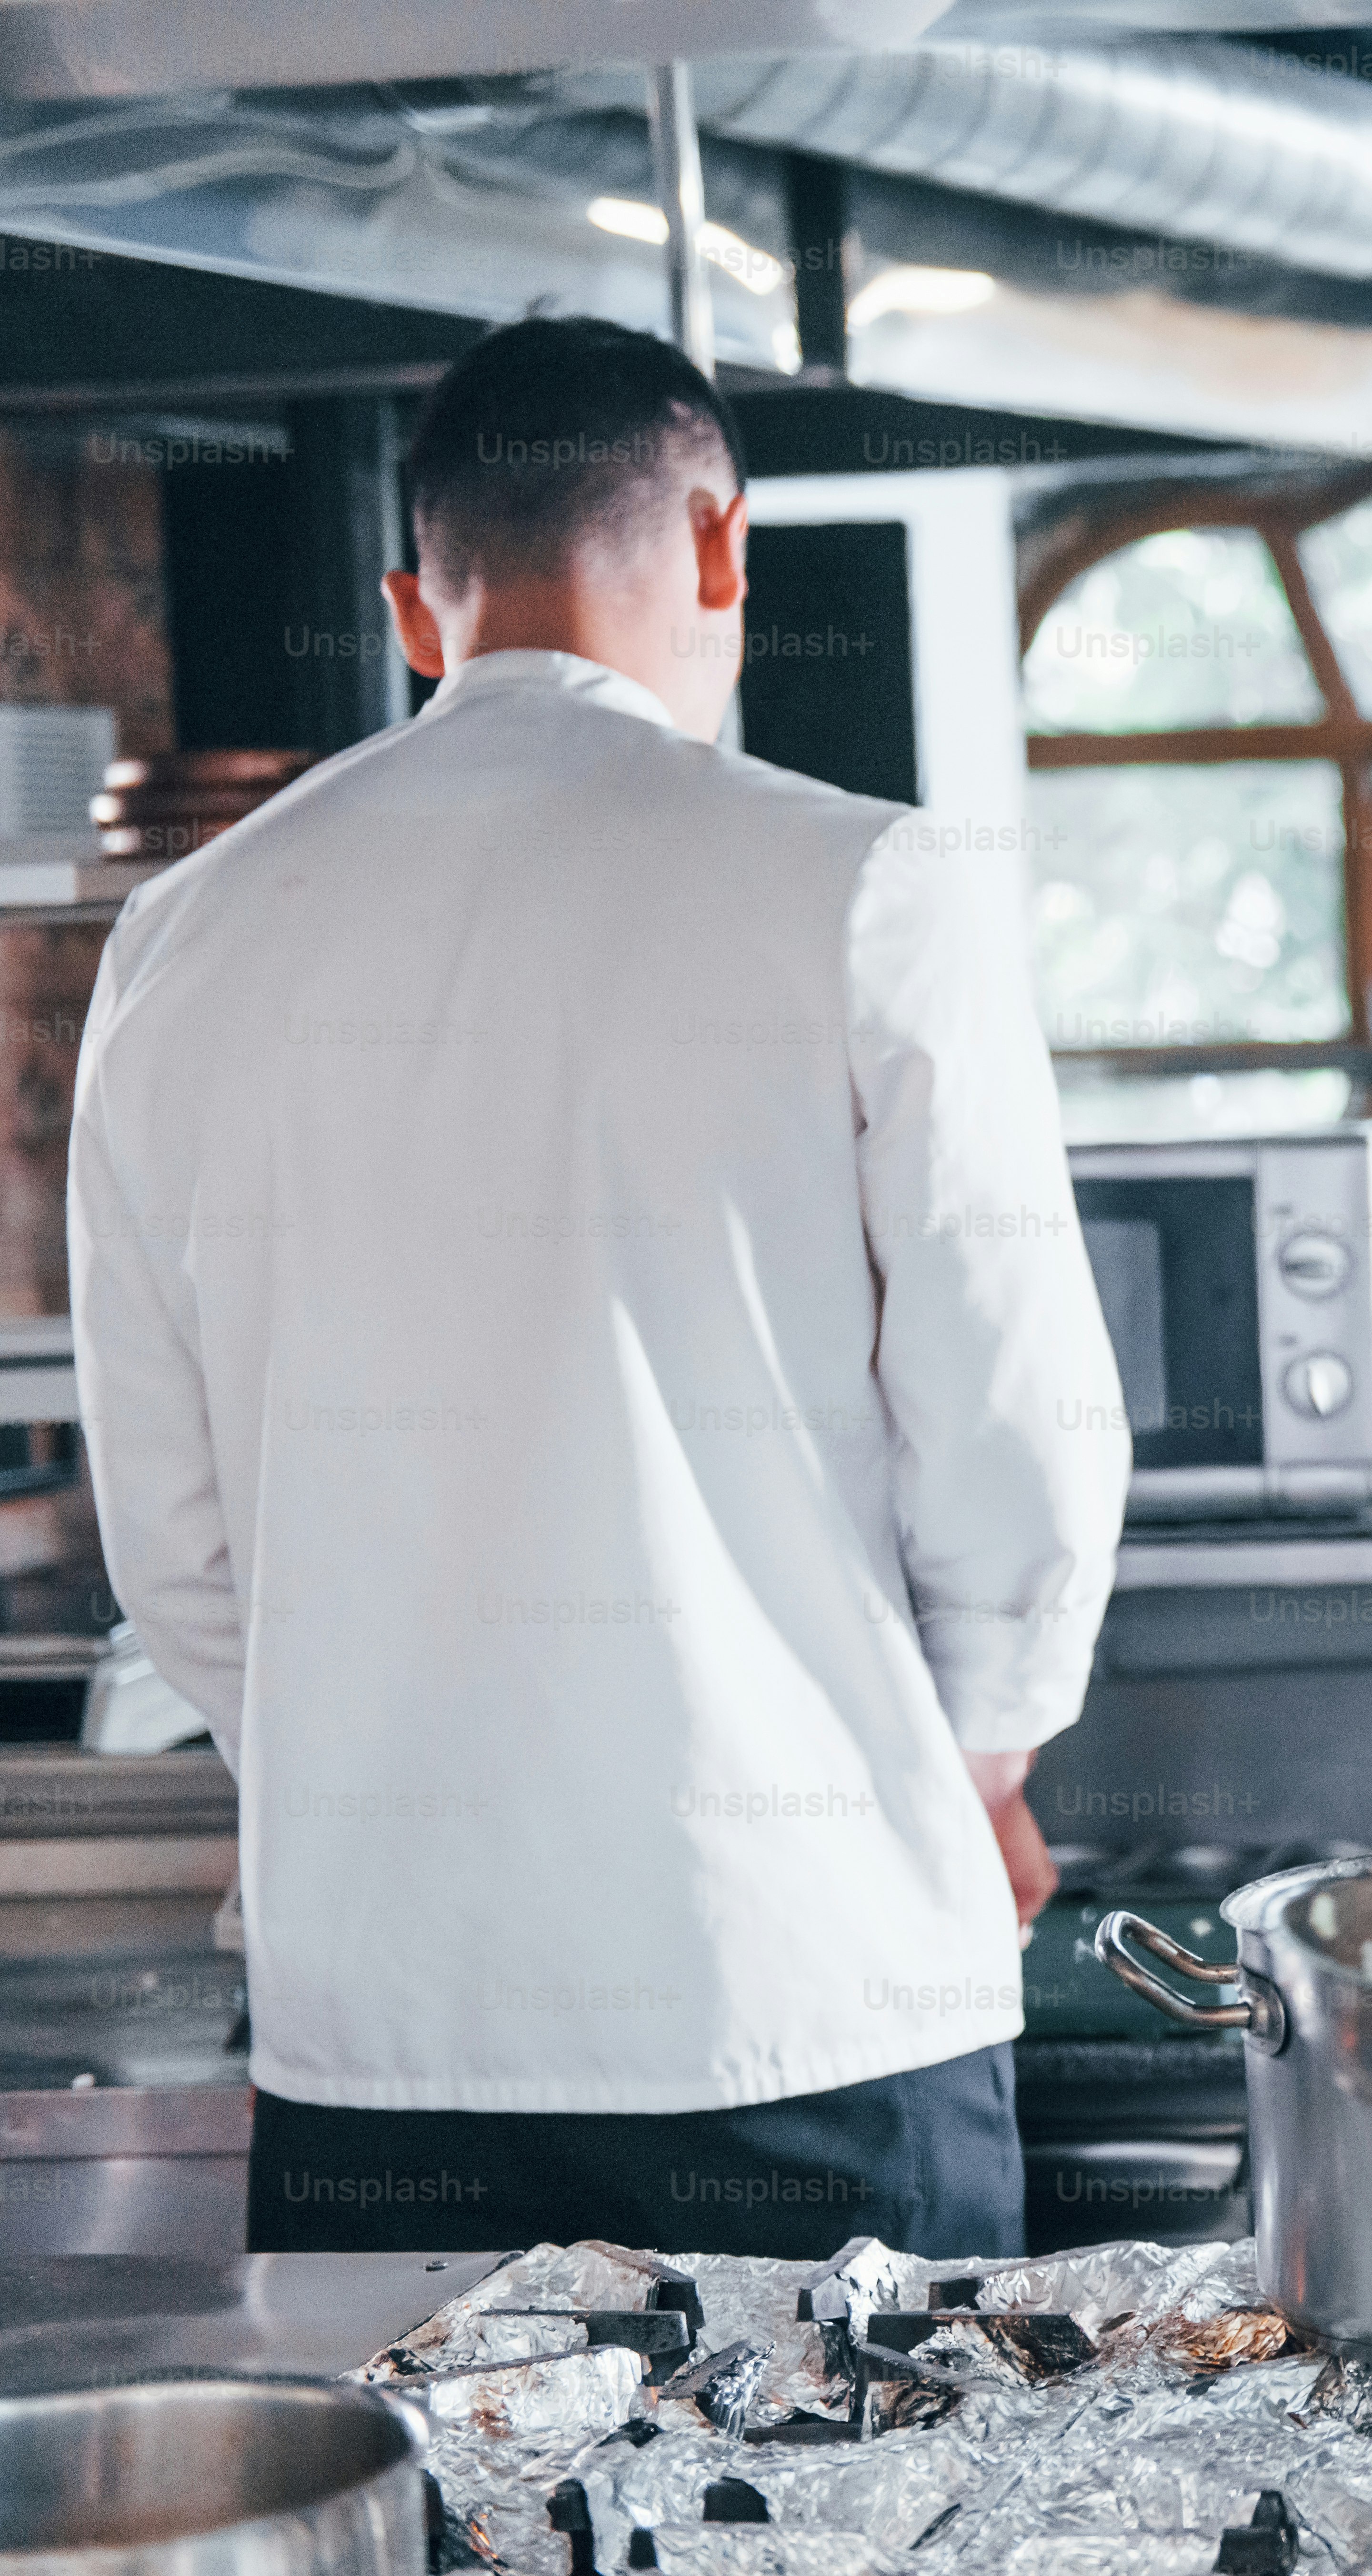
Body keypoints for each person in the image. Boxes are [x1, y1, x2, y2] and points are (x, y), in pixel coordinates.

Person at [69, 316, 1128, 2259]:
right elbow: (1022, 1443)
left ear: (414, 607)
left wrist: (381, 1753)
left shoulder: (179, 938)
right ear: (725, 546)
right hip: (801, 2005)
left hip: (382, 2040)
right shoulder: (867, 886)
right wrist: (969, 1762)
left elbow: (177, 1545)